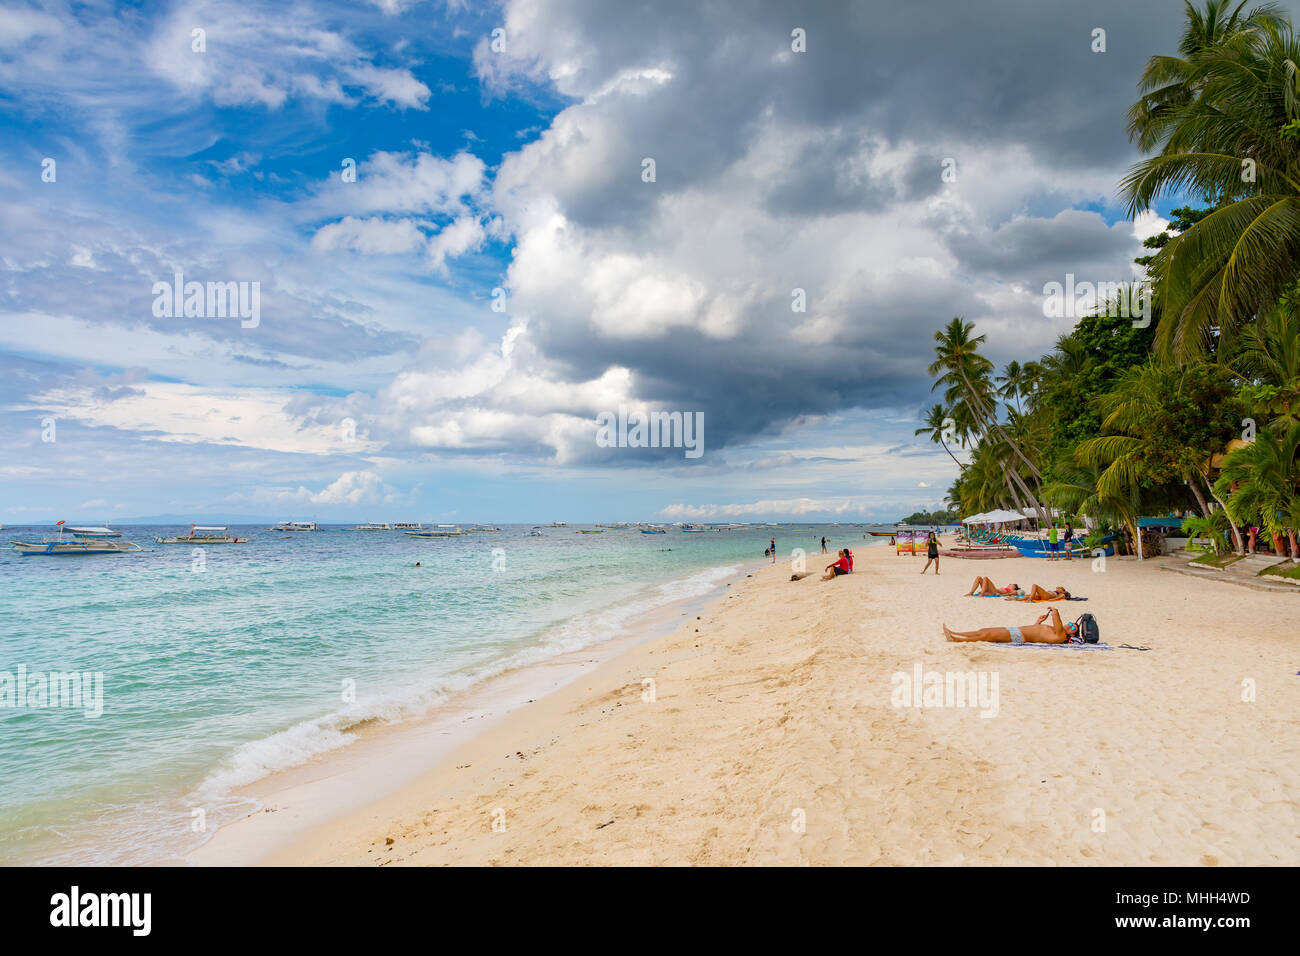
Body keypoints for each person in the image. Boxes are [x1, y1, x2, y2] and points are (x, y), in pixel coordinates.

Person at [943, 606, 1079, 644]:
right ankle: (956, 633)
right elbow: (1036, 633)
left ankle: (956, 639)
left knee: (987, 635)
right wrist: (1037, 623)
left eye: (1073, 627)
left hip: (1019, 636)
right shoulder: (1055, 630)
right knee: (983, 630)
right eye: (1070, 623)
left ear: (1072, 634)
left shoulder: (1061, 635)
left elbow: (1056, 618)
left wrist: (1054, 610)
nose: (1069, 626)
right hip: (1017, 630)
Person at [1005, 584, 1072, 602]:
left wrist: (1052, 600)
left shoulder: (1062, 593)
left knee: (1035, 586)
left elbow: (1060, 597)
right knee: (1027, 596)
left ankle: (1030, 599)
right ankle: (1014, 599)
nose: (1057, 589)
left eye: (1058, 588)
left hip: (1048, 596)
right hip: (1045, 595)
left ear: (1063, 590)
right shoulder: (1057, 592)